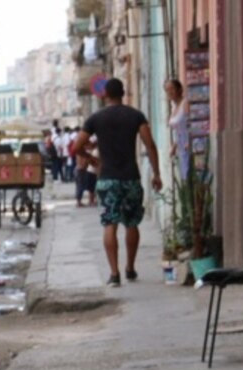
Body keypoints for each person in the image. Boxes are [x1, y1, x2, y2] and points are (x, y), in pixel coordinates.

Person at [72, 78, 162, 287]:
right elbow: (150, 145)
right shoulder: (135, 115)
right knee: (132, 223)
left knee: (109, 224)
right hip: (130, 177)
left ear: (105, 95)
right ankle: (130, 268)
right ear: (123, 93)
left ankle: (114, 274)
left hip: (107, 179)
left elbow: (76, 146)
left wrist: (92, 158)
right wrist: (156, 174)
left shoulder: (96, 118)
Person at [165, 78, 191, 180]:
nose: (169, 92)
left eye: (172, 89)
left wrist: (190, 141)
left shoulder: (185, 103)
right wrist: (174, 146)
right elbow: (178, 130)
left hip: (188, 144)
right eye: (167, 90)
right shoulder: (174, 107)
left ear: (179, 89)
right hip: (180, 146)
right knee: (184, 177)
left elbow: (190, 123)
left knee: (191, 174)